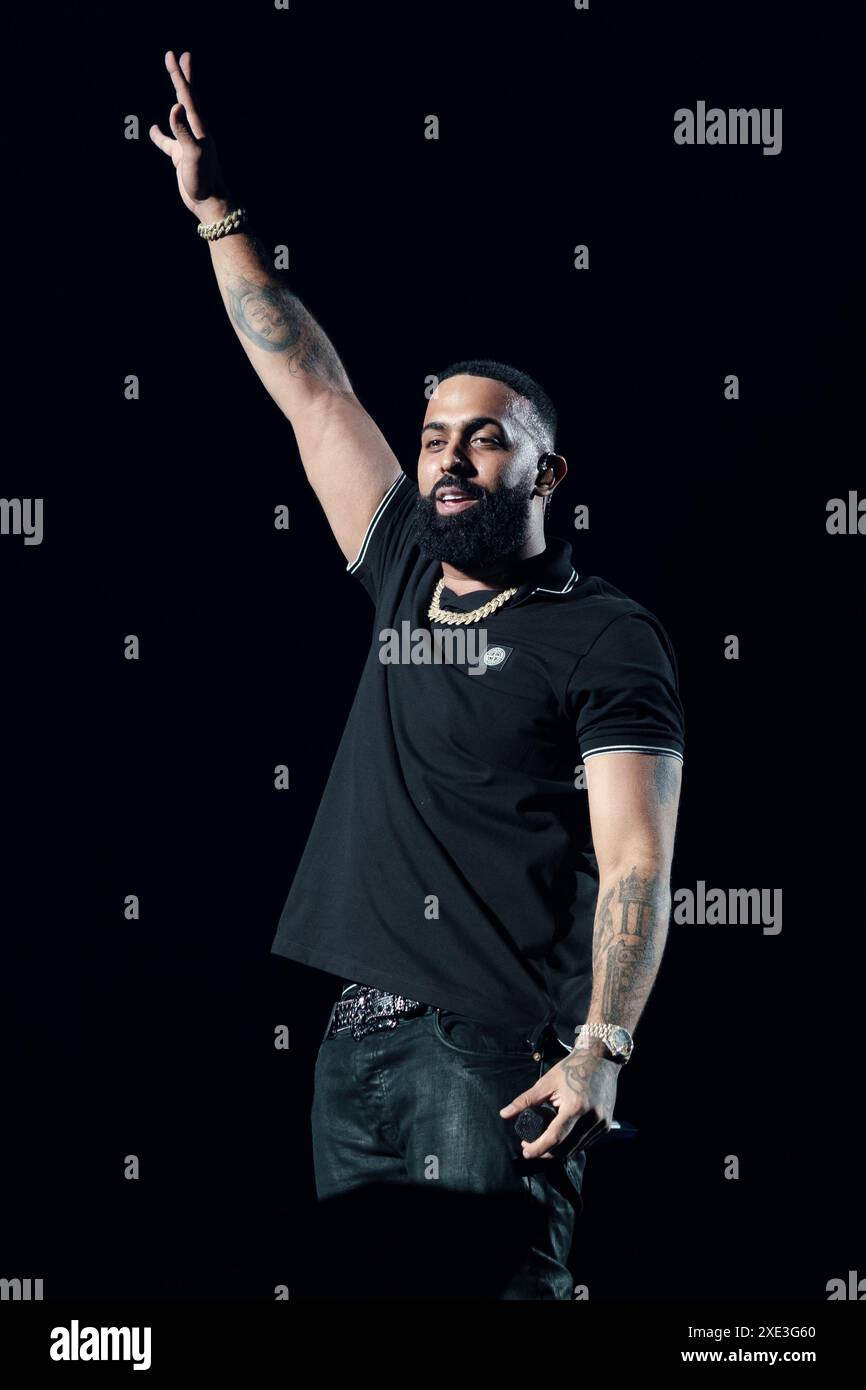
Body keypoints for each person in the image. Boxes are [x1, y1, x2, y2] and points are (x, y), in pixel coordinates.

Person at [151, 50, 685, 1300]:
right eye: (436, 434)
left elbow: (637, 861)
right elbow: (308, 383)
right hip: (354, 1047)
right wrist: (216, 211)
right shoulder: (403, 567)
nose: (447, 457)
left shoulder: (605, 635)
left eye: (483, 439)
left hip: (493, 1050)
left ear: (547, 475)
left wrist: (605, 1042)